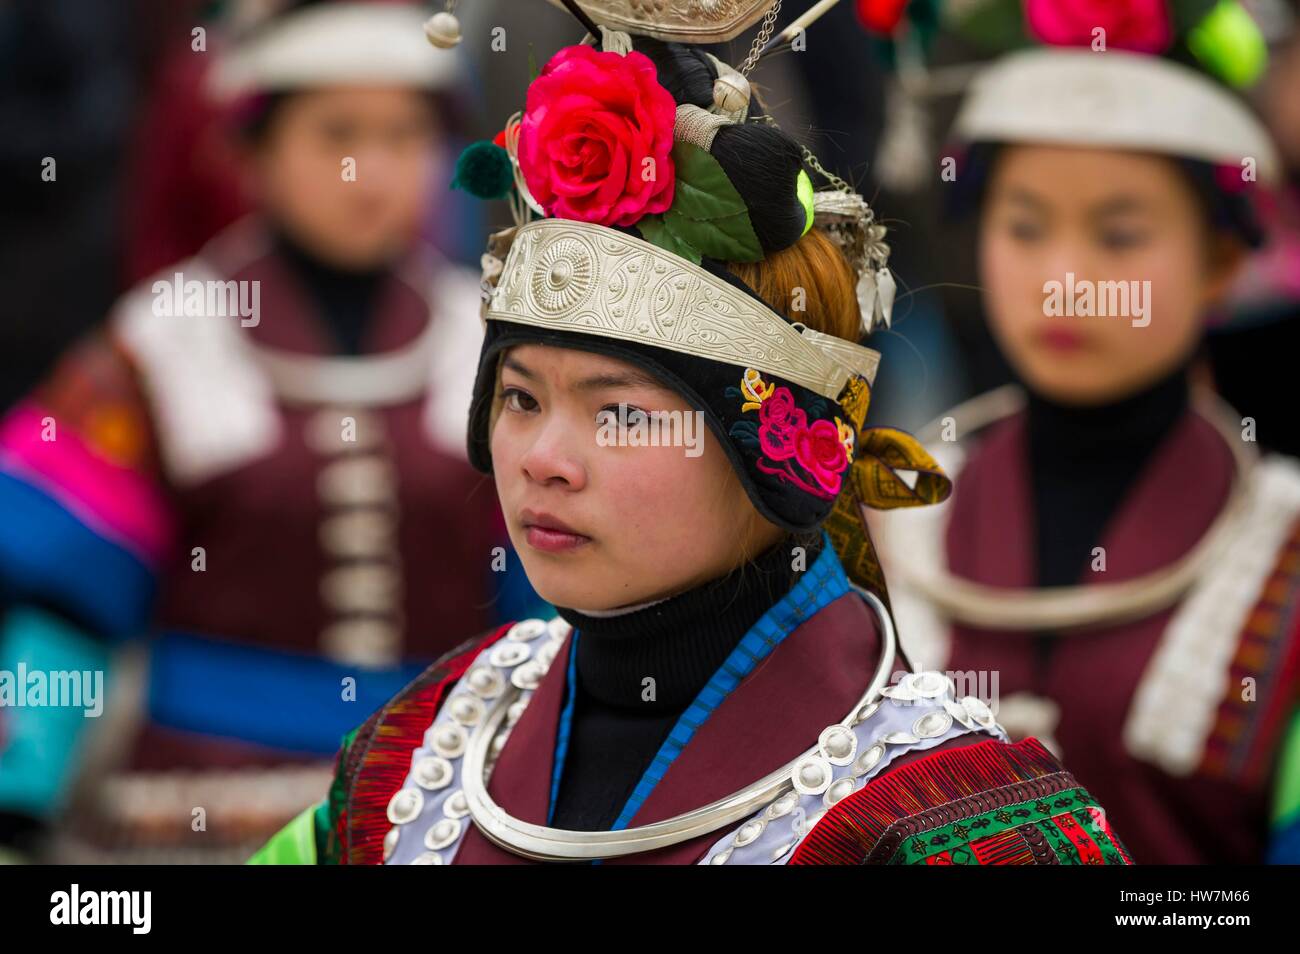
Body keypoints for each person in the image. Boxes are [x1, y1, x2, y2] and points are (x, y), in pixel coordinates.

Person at [251, 0, 1132, 866]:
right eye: (521, 399)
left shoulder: (961, 833)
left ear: (777, 448)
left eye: (622, 412)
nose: (545, 462)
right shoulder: (410, 760)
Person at [0, 0, 534, 863]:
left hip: (436, 807)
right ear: (252, 152)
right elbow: (70, 601)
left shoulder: (487, 343)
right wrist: (18, 800)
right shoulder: (165, 341)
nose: (374, 171)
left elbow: (546, 604)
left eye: (405, 137)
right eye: (337, 136)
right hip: (192, 818)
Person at [871, 0, 1300, 863]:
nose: (1065, 280)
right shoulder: (891, 513)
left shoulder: (1283, 549)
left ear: (1218, 259)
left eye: (1120, 234)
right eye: (1024, 226)